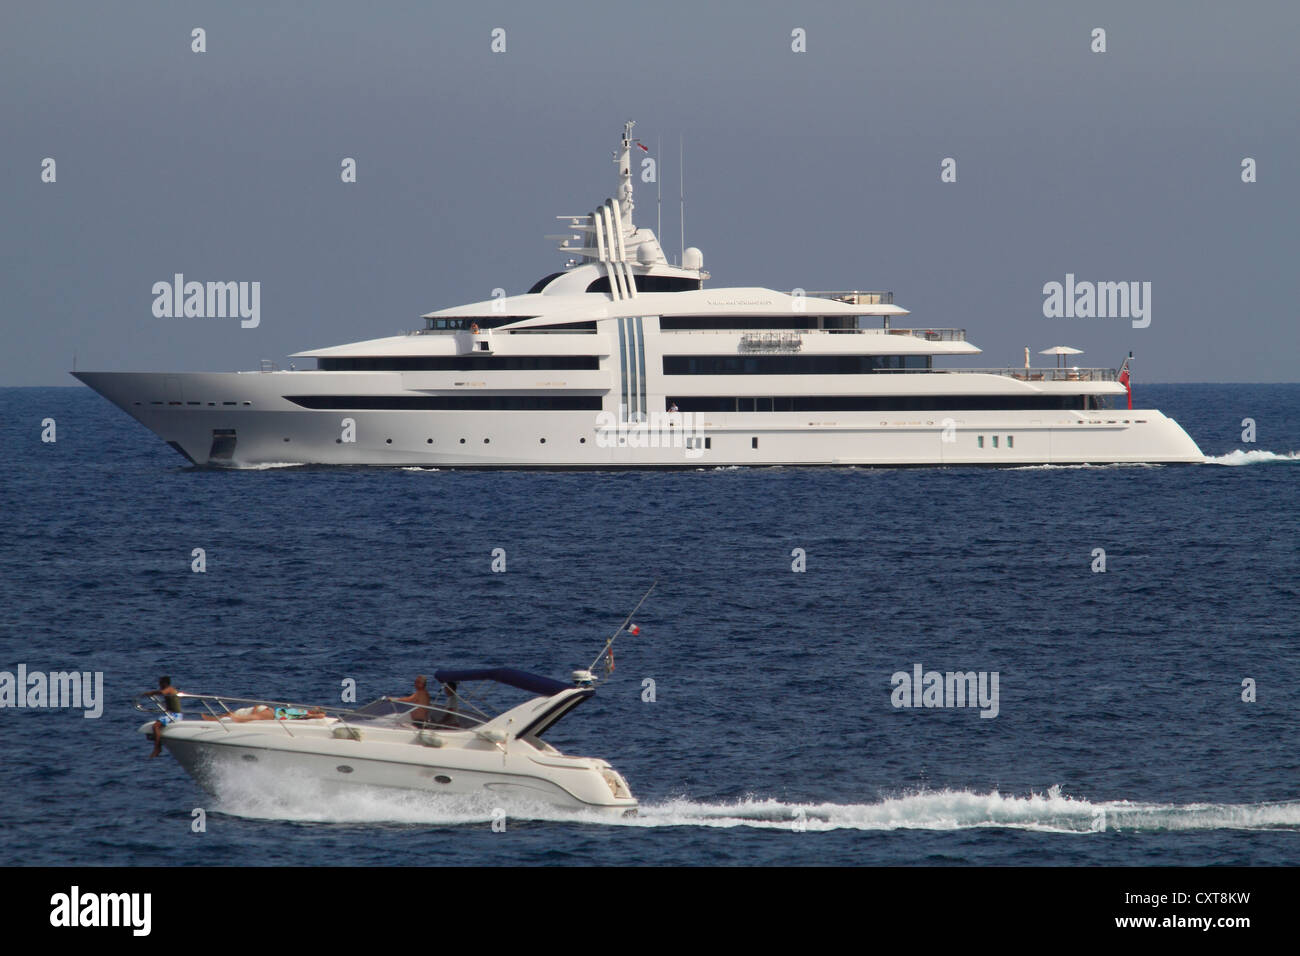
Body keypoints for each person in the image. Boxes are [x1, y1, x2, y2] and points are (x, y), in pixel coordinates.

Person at [143, 676, 182, 758]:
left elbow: (163, 692)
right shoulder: (169, 690)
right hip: (171, 714)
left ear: (165, 683)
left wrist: (151, 693)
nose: (159, 684)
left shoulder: (170, 689)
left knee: (156, 726)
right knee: (155, 726)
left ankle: (157, 748)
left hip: (175, 715)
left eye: (160, 683)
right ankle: (157, 742)